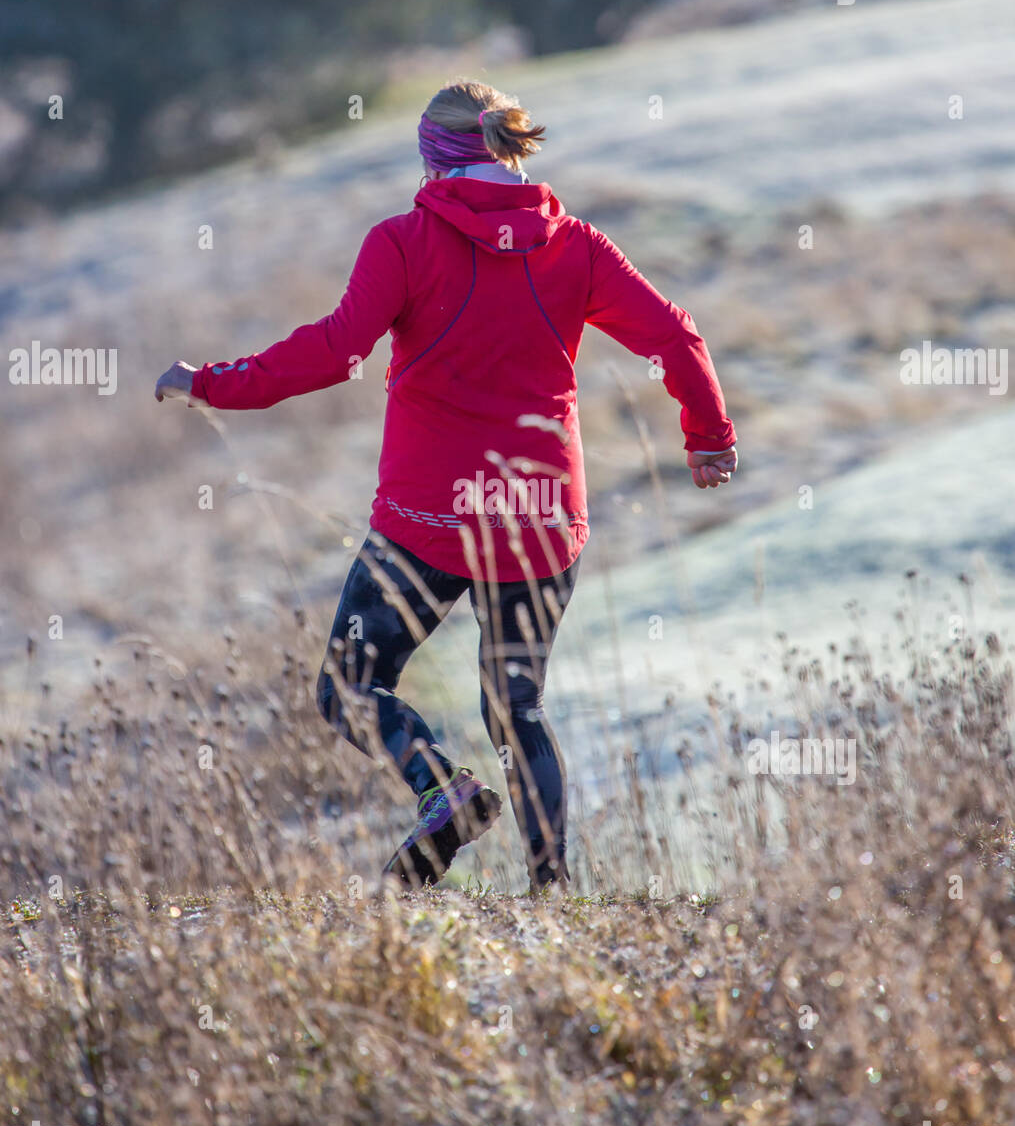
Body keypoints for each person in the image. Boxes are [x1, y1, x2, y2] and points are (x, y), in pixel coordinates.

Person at [155, 78, 738, 893]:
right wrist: (707, 440)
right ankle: (551, 890)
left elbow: (332, 353)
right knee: (517, 706)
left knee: (352, 685)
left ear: (434, 157)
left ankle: (445, 793)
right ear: (505, 147)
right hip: (539, 514)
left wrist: (210, 383)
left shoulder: (402, 242)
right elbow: (674, 334)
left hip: (429, 520)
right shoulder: (577, 245)